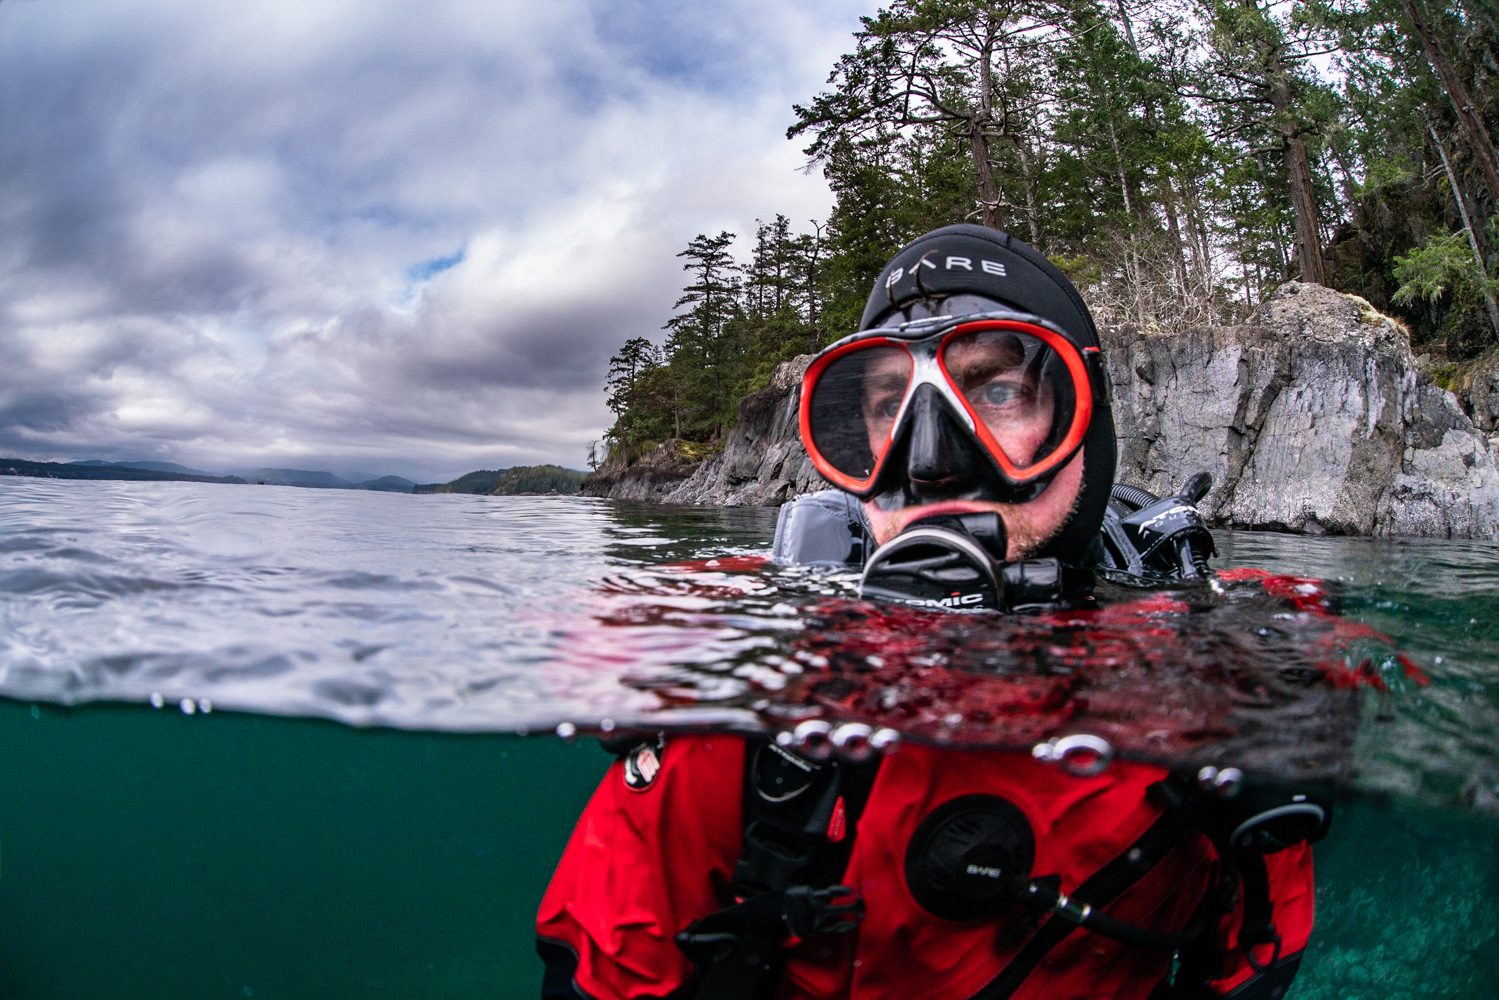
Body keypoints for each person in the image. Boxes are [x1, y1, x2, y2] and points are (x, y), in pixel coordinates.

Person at [537, 225, 1322, 999]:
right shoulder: (744, 685)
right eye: (887, 405)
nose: (928, 462)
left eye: (999, 390)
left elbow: (1252, 957)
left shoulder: (1230, 671)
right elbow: (612, 964)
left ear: (1090, 422)